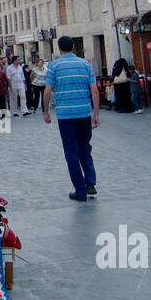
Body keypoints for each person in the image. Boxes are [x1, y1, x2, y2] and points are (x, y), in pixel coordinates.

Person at [44, 35, 100, 200]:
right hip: (84, 113)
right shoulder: (85, 64)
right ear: (74, 47)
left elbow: (47, 91)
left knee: (71, 152)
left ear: (60, 49)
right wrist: (95, 114)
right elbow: (94, 90)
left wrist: (46, 112)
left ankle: (80, 190)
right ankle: (90, 182)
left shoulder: (55, 66)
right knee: (85, 148)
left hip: (66, 116)